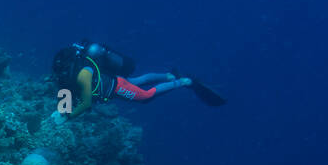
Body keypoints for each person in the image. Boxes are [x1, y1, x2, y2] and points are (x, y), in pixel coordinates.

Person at [52, 41, 225, 117]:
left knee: (145, 96)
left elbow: (86, 103)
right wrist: (62, 109)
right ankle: (168, 76)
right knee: (137, 80)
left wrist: (70, 117)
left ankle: (183, 82)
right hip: (115, 82)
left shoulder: (82, 75)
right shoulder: (75, 73)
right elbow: (69, 95)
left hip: (116, 87)